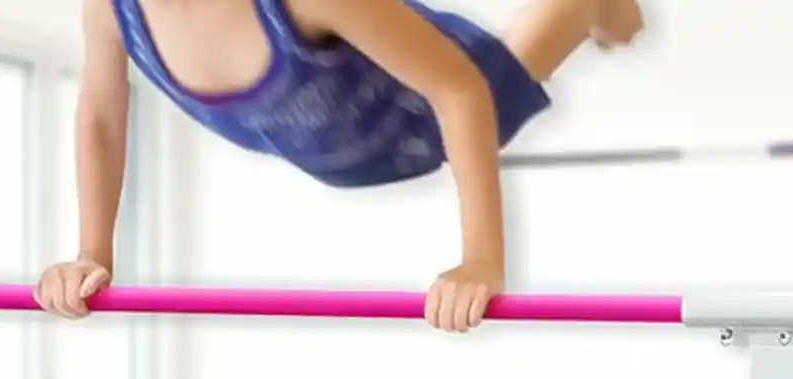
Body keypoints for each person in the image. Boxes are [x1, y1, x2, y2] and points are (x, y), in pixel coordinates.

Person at [35, 0, 644, 332]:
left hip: (418, 118)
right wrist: (94, 256)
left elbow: (458, 92)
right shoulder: (113, 10)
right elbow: (101, 116)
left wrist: (482, 260)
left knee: (547, 33)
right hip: (333, 144)